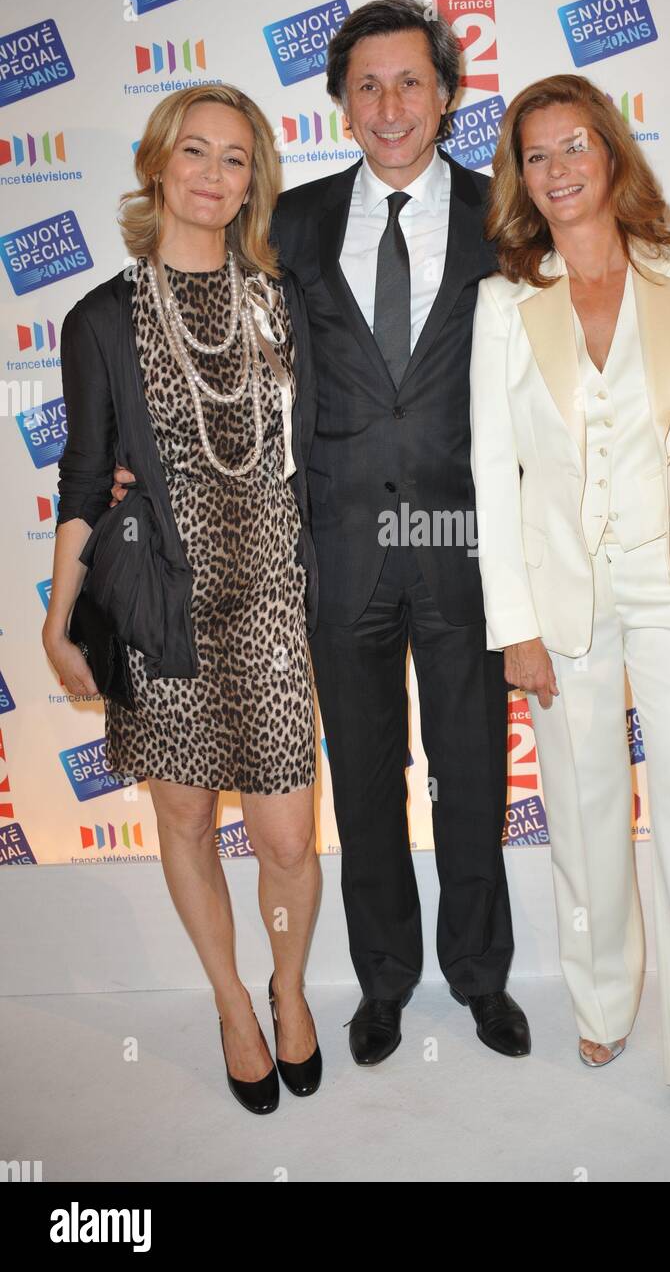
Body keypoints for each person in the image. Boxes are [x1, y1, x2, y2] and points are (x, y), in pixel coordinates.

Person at [114, 0, 670, 1068]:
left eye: (409, 82)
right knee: (365, 781)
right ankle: (384, 982)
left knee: (472, 767)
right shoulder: (288, 225)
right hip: (332, 549)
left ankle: (480, 976)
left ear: (446, 93)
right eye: (366, 86)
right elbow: (212, 346)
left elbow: (608, 327)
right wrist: (136, 453)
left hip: (473, 546)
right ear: (341, 104)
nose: (389, 105)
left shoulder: (511, 215)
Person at [469, 74, 670, 1150]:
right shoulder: (503, 302)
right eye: (535, 154)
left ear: (611, 156)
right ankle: (603, 1003)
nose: (558, 168)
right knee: (584, 811)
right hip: (561, 599)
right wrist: (513, 620)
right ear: (520, 177)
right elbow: (490, 474)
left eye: (575, 146)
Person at [43, 85, 321, 1116]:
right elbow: (83, 476)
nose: (213, 174)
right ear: (158, 164)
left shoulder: (279, 302)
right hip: (163, 613)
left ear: (254, 182)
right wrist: (56, 610)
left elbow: (322, 450)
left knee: (290, 840)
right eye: (194, 152)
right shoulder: (102, 318)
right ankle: (233, 1006)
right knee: (190, 820)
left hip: (273, 611)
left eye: (235, 159)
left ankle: (290, 990)